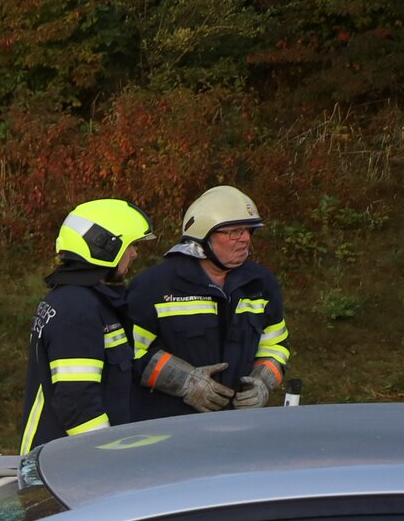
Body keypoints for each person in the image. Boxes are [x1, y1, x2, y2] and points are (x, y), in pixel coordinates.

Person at [127, 186, 291, 417]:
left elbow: (275, 345)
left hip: (238, 423)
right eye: (234, 231)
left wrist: (262, 381)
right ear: (203, 237)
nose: (245, 238)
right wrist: (183, 381)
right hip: (168, 425)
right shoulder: (154, 286)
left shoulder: (260, 284)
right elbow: (127, 353)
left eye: (248, 230)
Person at [20, 199, 154, 453]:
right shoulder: (78, 307)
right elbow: (76, 402)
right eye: (130, 245)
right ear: (104, 246)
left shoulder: (82, 300)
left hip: (67, 458)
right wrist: (109, 454)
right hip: (69, 463)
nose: (135, 253)